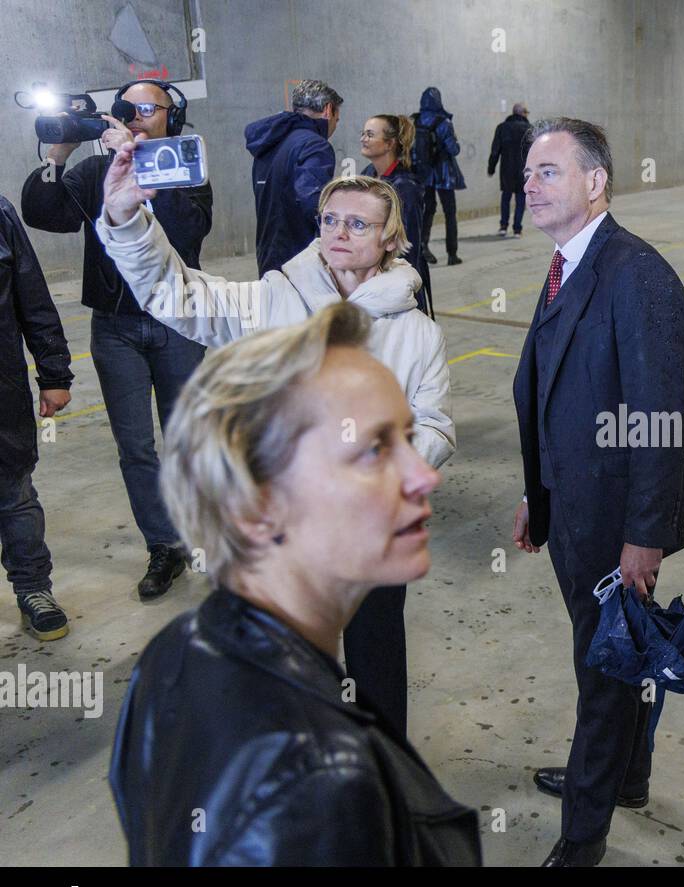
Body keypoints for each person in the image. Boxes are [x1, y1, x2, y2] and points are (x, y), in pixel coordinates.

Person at [96, 149, 454, 738]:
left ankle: (382, 781)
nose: (339, 233)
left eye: (357, 224)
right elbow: (176, 293)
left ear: (391, 240)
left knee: (377, 665)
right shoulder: (273, 300)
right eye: (329, 220)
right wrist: (129, 220)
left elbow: (435, 425)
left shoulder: (416, 332)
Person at [109, 301, 481, 865]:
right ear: (258, 506)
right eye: (374, 450)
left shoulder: (171, 655)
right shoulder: (322, 785)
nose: (424, 474)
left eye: (409, 438)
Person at [511, 118, 684, 866]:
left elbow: (661, 416)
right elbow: (554, 389)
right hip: (572, 505)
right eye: (528, 173)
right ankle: (625, 775)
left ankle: (583, 838)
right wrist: (539, 491)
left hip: (620, 517)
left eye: (549, 172)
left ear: (596, 183)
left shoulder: (637, 274)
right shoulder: (567, 262)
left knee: (603, 669)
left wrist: (646, 536)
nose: (530, 184)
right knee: (612, 654)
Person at [21, 79, 211, 601]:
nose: (136, 114)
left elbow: (186, 232)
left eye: (149, 108)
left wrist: (138, 164)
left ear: (173, 116)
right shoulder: (95, 170)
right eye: (129, 107)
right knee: (135, 447)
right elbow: (46, 213)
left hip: (178, 321)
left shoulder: (186, 163)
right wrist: (56, 158)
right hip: (115, 327)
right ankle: (164, 546)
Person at [1, 195, 73, 641]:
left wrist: (54, 373)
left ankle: (33, 590)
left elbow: (33, 296)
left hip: (1, 393)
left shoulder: (0, 215)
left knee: (14, 495)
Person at [246, 79, 342, 276]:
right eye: (336, 119)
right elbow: (314, 203)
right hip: (301, 260)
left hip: (268, 255)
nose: (334, 125)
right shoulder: (315, 145)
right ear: (328, 110)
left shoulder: (269, 143)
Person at [361, 114, 432, 314]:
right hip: (370, 277)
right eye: (363, 133)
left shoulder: (405, 187)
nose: (363, 138)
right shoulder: (367, 174)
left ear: (389, 143)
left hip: (395, 283)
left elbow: (408, 247)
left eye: (370, 134)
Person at [411, 87, 465, 265]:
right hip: (443, 174)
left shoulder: (415, 120)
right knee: (450, 213)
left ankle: (423, 245)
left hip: (423, 173)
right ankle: (452, 253)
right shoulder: (443, 122)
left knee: (428, 210)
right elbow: (454, 149)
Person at [488, 102, 530, 237]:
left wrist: (491, 167)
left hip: (506, 170)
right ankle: (517, 229)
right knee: (520, 199)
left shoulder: (502, 128)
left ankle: (503, 227)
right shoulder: (529, 129)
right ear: (523, 113)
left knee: (505, 197)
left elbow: (495, 151)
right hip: (523, 171)